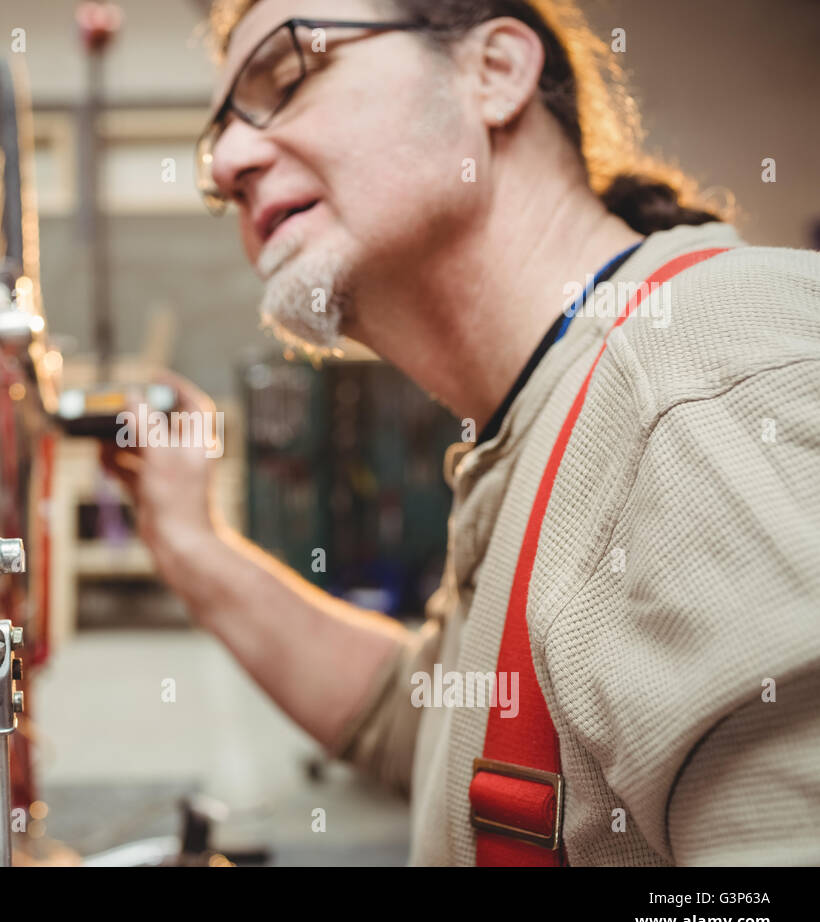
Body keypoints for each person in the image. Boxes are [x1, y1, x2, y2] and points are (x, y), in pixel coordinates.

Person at [100, 0, 820, 865]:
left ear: (494, 73)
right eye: (216, 137)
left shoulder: (706, 377)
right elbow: (431, 722)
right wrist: (188, 539)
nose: (224, 163)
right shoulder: (550, 420)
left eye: (290, 78)